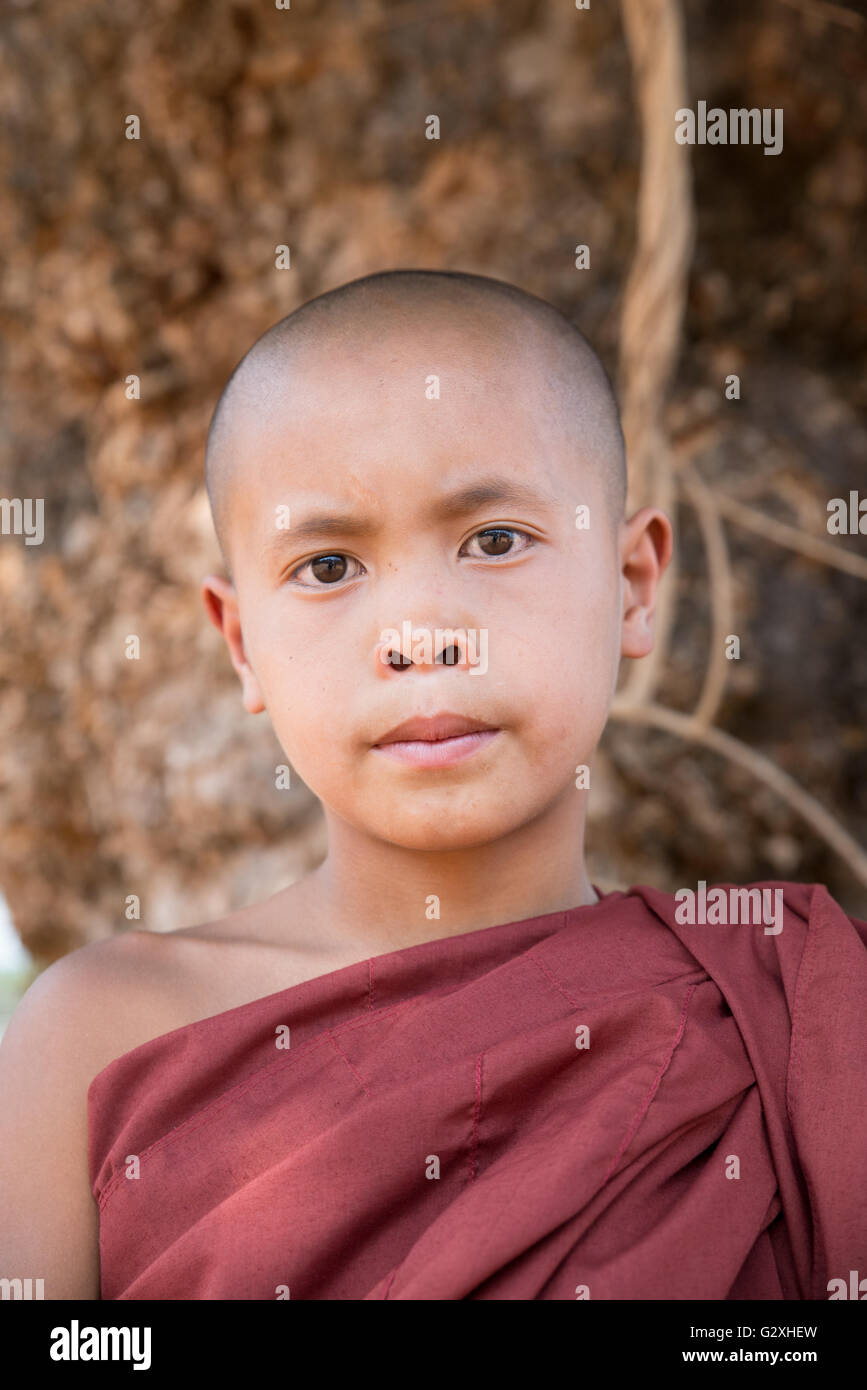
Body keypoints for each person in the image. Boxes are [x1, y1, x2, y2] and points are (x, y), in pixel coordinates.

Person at [1, 269, 865, 1300]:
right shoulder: (100, 1033)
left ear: (632, 586)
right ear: (241, 646)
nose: (419, 635)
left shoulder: (790, 1015)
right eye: (327, 565)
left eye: (494, 541)